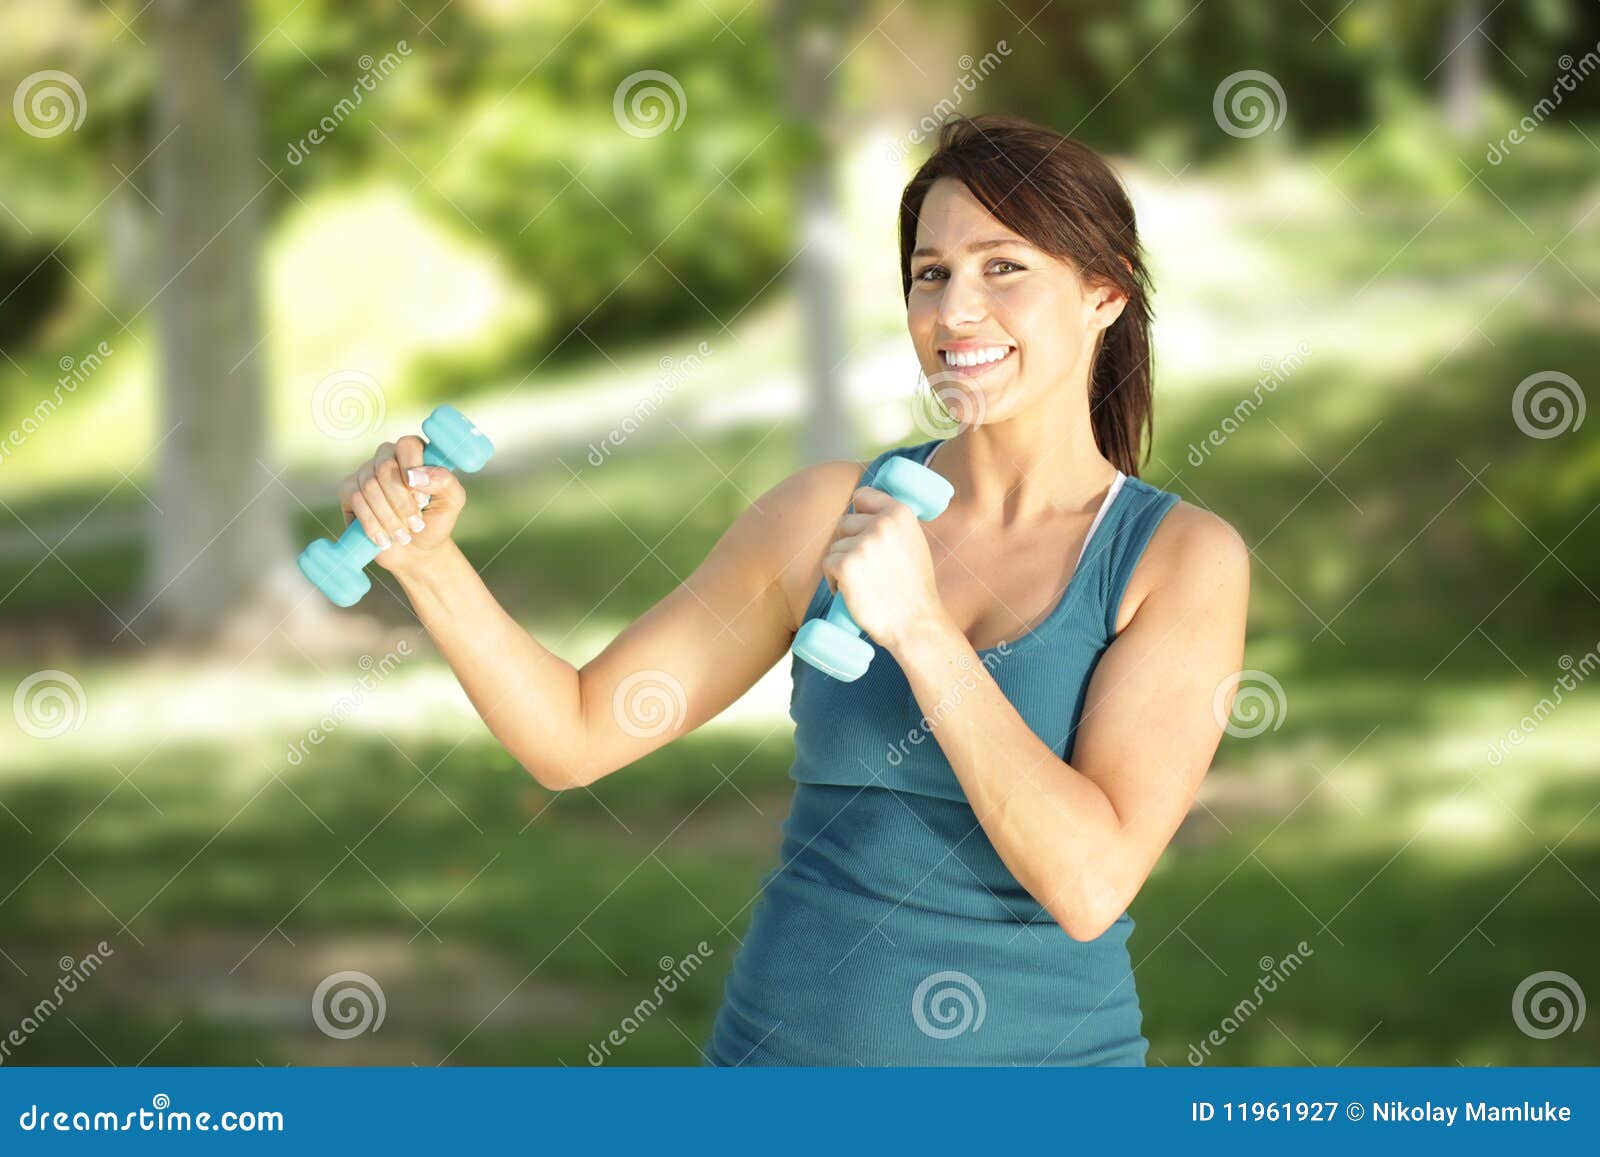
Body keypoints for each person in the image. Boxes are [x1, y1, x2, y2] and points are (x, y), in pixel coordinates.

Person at [333, 113, 1250, 1066]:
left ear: (1103, 291)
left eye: (1002, 267)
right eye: (930, 274)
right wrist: (430, 563)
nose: (955, 311)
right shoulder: (825, 514)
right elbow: (573, 734)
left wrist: (923, 631)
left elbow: (1090, 881)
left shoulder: (1176, 559)